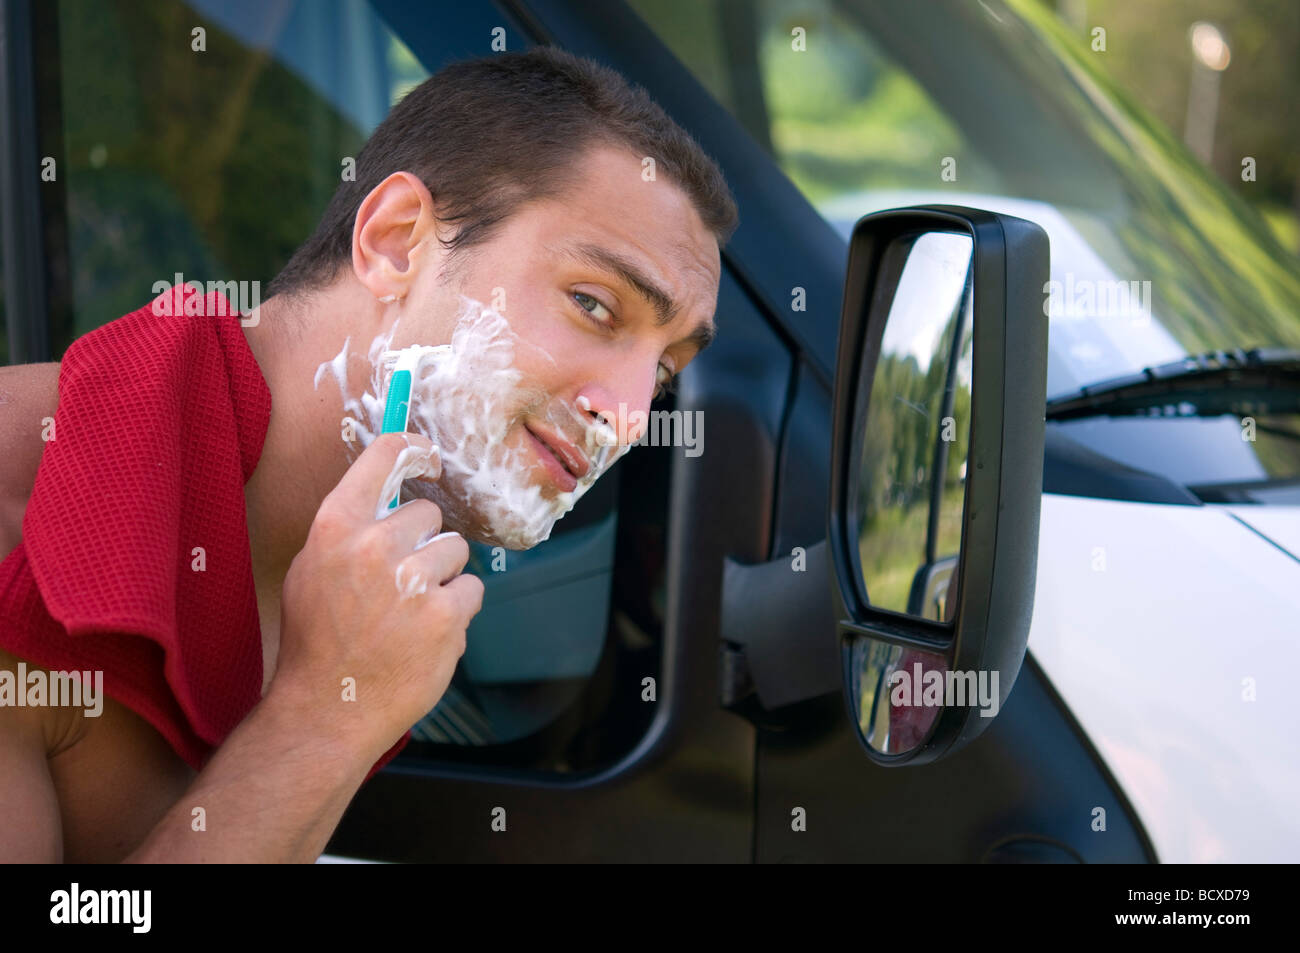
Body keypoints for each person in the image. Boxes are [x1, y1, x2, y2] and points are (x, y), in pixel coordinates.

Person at [0, 46, 737, 862]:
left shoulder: (382, 581)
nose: (629, 418)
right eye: (594, 303)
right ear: (395, 243)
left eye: (663, 373)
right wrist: (322, 716)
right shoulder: (17, 525)